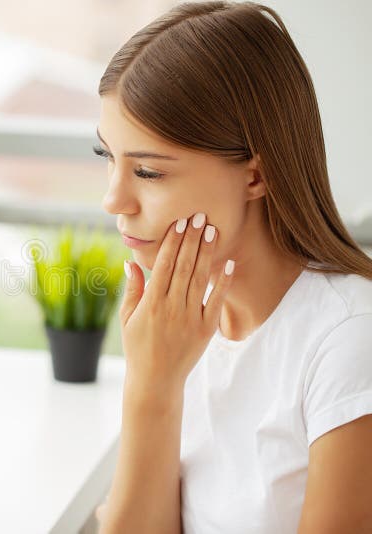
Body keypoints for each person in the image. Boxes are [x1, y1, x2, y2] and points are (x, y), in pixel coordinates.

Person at [90, 2, 372, 533]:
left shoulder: (350, 339)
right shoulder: (180, 328)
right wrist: (152, 384)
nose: (113, 200)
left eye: (148, 172)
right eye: (106, 156)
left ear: (255, 176)